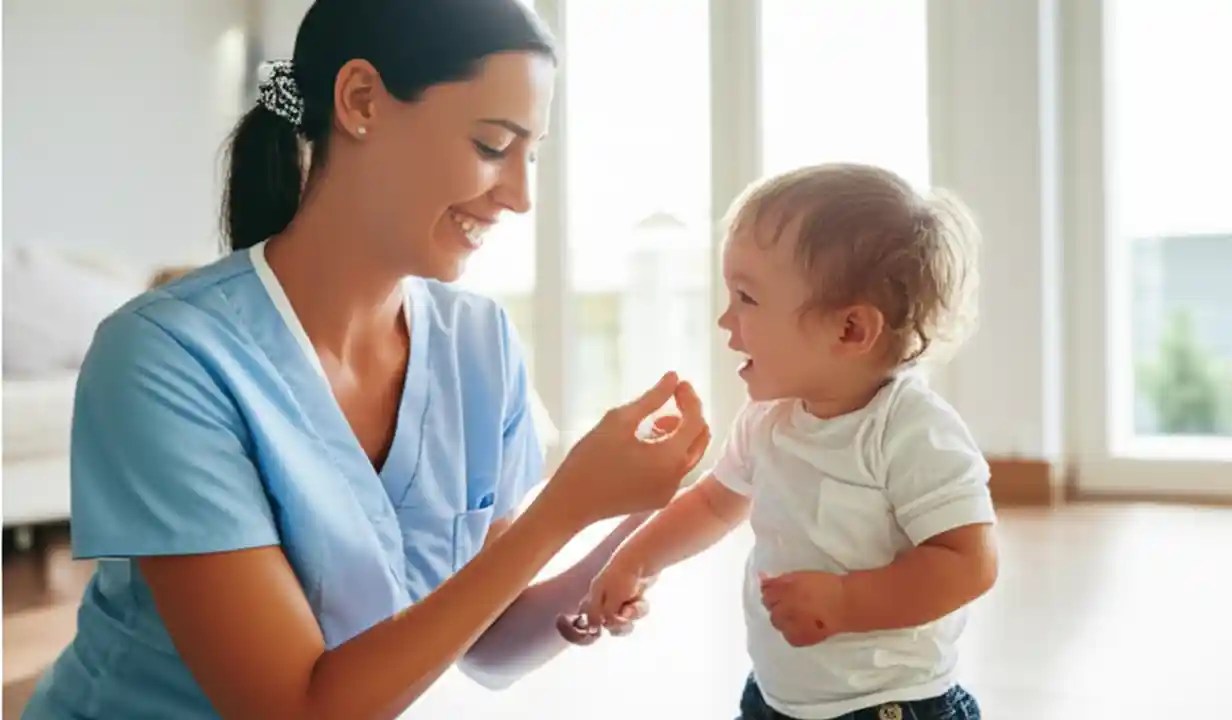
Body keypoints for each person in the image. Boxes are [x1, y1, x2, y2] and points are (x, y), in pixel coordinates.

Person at [21, 1, 710, 718]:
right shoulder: (165, 358)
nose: (521, 196)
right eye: (491, 144)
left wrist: (634, 533)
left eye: (531, 154)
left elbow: (490, 641)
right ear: (361, 102)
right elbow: (297, 709)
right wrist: (567, 503)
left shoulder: (480, 343)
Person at [573, 164, 997, 720]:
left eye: (746, 298)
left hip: (886, 704)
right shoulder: (768, 419)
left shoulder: (912, 430)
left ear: (849, 330)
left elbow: (969, 562)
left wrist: (847, 603)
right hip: (778, 695)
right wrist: (635, 559)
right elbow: (713, 503)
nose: (726, 321)